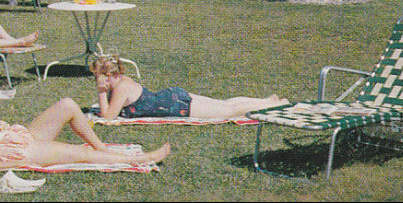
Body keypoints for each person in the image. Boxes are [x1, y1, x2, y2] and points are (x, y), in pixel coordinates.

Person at [0, 97, 170, 169]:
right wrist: (19, 163)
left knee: (68, 105)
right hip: (24, 150)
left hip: (23, 135)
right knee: (80, 154)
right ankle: (140, 159)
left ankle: (103, 148)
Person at [90, 54, 287, 120]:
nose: (100, 82)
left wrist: (101, 93)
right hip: (173, 97)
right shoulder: (122, 83)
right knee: (225, 104)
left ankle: (275, 106)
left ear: (112, 75)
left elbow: (108, 118)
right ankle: (268, 101)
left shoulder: (121, 88)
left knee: (228, 110)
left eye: (101, 78)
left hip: (176, 105)